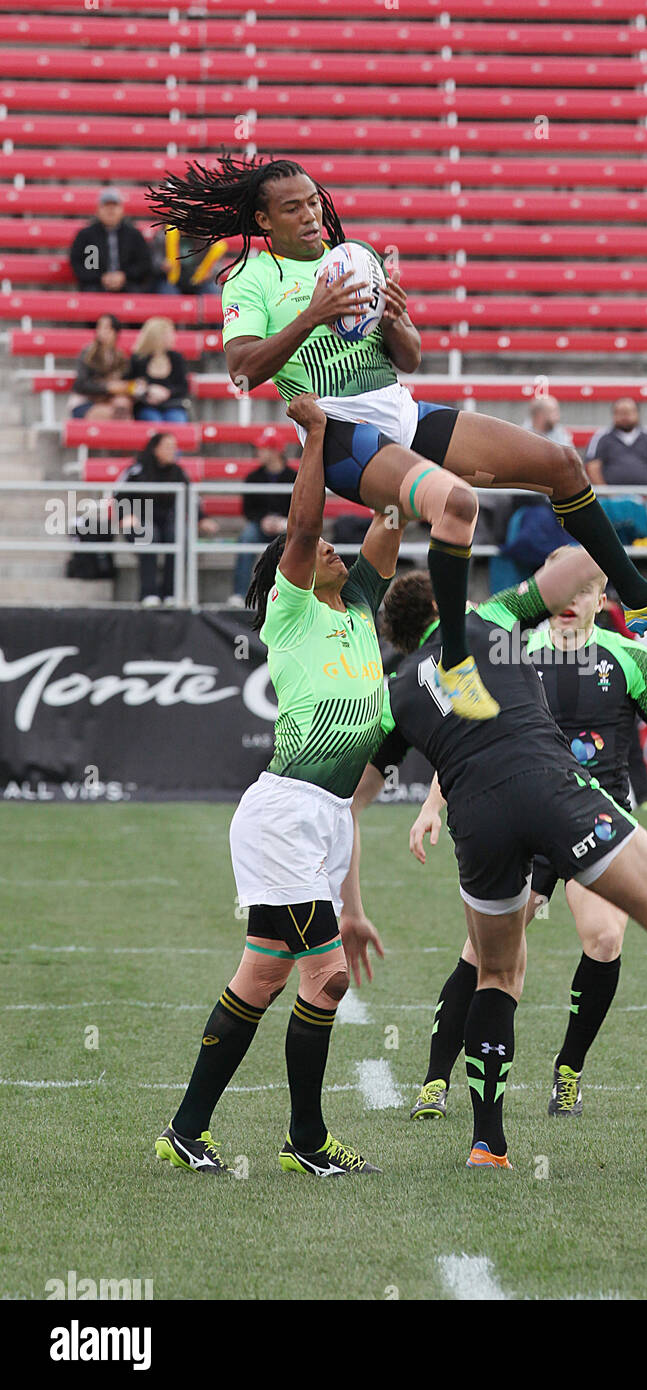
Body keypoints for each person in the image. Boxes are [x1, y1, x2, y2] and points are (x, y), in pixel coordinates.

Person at [148, 156, 647, 721]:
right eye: (292, 208)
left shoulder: (354, 258)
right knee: (457, 504)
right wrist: (313, 316)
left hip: (402, 410)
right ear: (265, 221)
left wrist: (397, 319)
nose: (309, 215)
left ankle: (640, 598)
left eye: (313, 203)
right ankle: (455, 660)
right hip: (342, 434)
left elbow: (410, 357)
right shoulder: (249, 278)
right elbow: (243, 372)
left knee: (564, 464)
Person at [356, 546, 647, 1169]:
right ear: (445, 605)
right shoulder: (498, 626)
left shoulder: (399, 693)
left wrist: (350, 905)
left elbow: (356, 804)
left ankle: (493, 1138)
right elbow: (577, 560)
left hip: (490, 822)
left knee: (524, 964)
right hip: (556, 794)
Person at [155, 395, 396, 1178]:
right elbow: (300, 528)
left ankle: (187, 1129)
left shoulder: (358, 606)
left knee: (261, 976)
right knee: (323, 977)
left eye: (335, 545)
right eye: (324, 545)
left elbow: (394, 518)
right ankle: (306, 1139)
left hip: (323, 817)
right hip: (286, 814)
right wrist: (321, 438)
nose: (332, 548)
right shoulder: (291, 612)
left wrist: (405, 449)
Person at [114, 432, 217, 605]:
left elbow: (191, 499)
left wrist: (201, 518)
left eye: (174, 448)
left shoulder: (178, 472)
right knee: (149, 535)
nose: (173, 451)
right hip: (140, 521)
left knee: (178, 534)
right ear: (155, 449)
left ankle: (171, 593)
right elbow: (119, 495)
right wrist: (126, 515)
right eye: (168, 447)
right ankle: (148, 593)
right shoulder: (137, 470)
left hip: (167, 522)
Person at [231, 445, 299, 603]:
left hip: (287, 525)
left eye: (263, 449)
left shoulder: (294, 476)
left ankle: (290, 596)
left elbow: (302, 506)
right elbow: (248, 509)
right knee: (246, 538)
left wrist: (285, 521)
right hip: (260, 524)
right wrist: (262, 520)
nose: (258, 453)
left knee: (298, 541)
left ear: (276, 451)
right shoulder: (253, 477)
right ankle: (240, 594)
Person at [68, 187, 154, 294]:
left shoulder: (134, 234)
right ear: (98, 210)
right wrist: (101, 277)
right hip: (95, 286)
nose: (110, 210)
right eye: (106, 206)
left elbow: (144, 263)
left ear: (122, 209)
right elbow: (77, 263)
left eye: (114, 206)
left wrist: (124, 276)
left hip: (129, 285)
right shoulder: (86, 235)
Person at [584, 398, 647, 491]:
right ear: (613, 415)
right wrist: (607, 494)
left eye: (629, 412)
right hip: (610, 499)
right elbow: (592, 467)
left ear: (637, 413)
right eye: (621, 412)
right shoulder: (601, 437)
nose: (625, 416)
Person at [124, 316, 191, 422]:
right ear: (159, 337)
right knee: (152, 419)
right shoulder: (138, 359)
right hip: (146, 406)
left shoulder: (176, 358)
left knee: (177, 420)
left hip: (172, 405)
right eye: (170, 334)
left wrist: (167, 392)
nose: (174, 337)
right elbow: (128, 384)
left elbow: (184, 387)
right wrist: (147, 390)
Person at [67, 314, 132, 420]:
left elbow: (125, 381)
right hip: (85, 401)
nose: (102, 331)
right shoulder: (88, 353)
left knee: (123, 405)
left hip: (108, 401)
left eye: (107, 328)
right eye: (99, 327)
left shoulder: (119, 357)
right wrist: (107, 387)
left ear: (115, 332)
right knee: (113, 414)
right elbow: (81, 384)